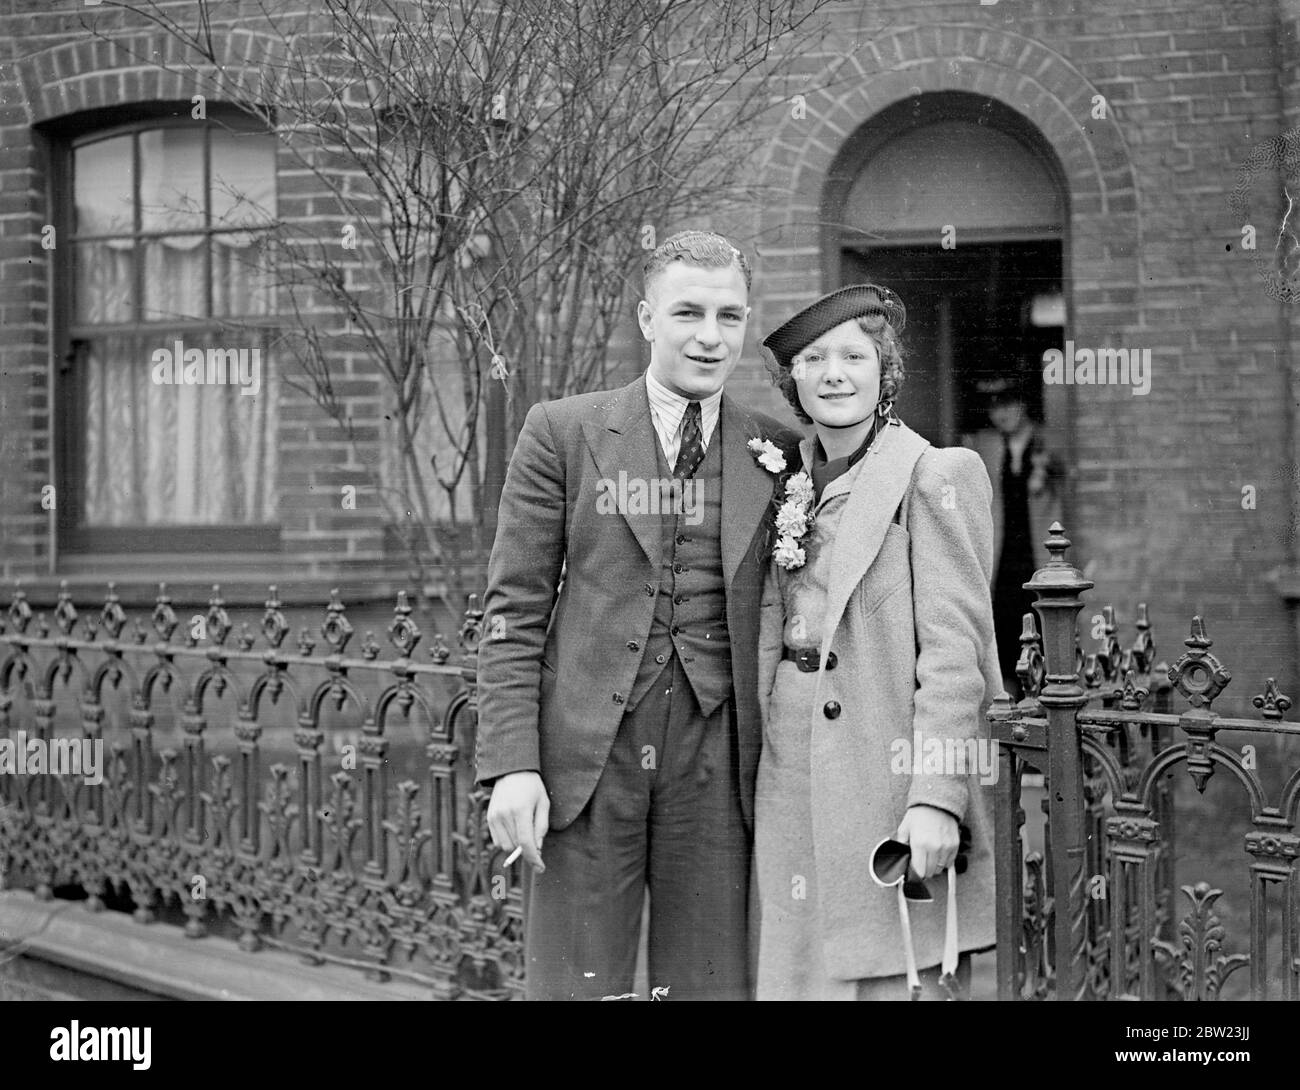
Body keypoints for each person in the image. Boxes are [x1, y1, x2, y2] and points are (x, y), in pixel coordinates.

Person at [475, 230, 802, 1001]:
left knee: (711, 982)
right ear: (647, 318)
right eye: (688, 312)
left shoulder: (777, 448)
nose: (710, 336)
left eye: (730, 316)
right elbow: (512, 611)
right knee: (577, 982)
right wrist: (512, 765)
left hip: (718, 756)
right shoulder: (563, 431)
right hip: (588, 751)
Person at [753, 283, 1001, 1000]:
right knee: (803, 976)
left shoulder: (934, 476)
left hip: (883, 775)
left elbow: (958, 658)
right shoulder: (788, 479)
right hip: (789, 769)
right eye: (814, 358)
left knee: (896, 981)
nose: (834, 372)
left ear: (883, 372)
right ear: (793, 380)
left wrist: (936, 797)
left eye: (854, 356)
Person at [961, 377, 1063, 693]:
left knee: (1041, 615)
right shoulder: (986, 443)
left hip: (1038, 549)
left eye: (1007, 405)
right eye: (994, 408)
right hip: (1002, 550)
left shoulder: (1047, 439)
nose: (1000, 414)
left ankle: (1044, 689)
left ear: (1023, 405)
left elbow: (1064, 471)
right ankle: (1010, 690)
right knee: (1004, 618)